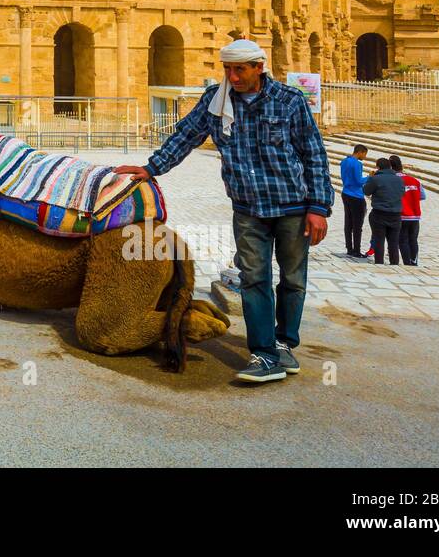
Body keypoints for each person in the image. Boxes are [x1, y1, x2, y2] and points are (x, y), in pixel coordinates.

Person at [114, 39, 333, 386]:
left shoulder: (289, 101)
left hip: (292, 205)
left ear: (259, 67)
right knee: (253, 279)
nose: (232, 77)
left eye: (240, 70)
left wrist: (319, 207)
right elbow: (185, 136)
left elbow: (313, 154)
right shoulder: (216, 101)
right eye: (228, 69)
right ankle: (263, 354)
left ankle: (284, 342)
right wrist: (151, 168)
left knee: (293, 280)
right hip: (248, 208)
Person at [362, 157, 404, 265]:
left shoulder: (376, 179)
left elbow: (366, 191)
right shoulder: (399, 179)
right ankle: (394, 264)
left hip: (379, 213)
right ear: (390, 167)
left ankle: (379, 263)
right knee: (393, 242)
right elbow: (402, 193)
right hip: (396, 214)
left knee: (379, 240)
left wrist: (370, 178)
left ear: (378, 167)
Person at [390, 155, 425, 266]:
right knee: (413, 239)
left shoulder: (393, 181)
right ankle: (414, 261)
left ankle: (407, 263)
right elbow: (422, 196)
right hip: (415, 216)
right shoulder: (415, 180)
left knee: (403, 240)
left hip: (401, 215)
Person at [339, 144, 370, 259]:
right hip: (356, 195)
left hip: (346, 192)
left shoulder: (344, 161)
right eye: (365, 154)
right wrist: (369, 177)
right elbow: (358, 181)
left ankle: (349, 248)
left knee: (348, 222)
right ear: (360, 152)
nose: (365, 157)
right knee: (357, 224)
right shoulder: (357, 164)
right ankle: (356, 250)